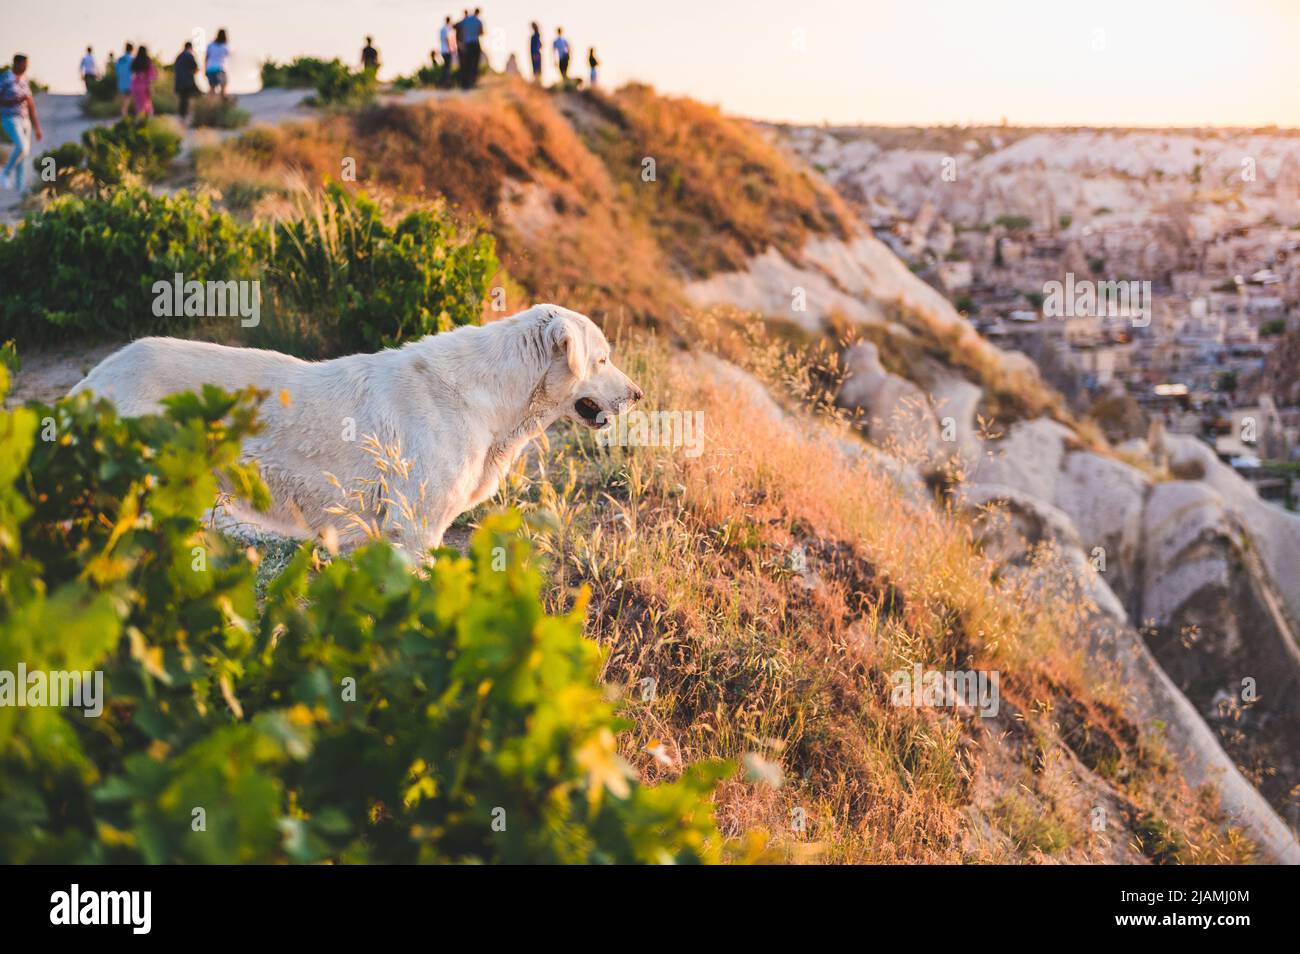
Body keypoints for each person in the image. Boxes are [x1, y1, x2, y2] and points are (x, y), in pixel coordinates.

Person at [0, 54, 43, 192]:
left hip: (25, 120)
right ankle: (4, 173)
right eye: (24, 64)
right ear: (16, 64)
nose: (26, 67)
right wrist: (13, 101)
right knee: (21, 148)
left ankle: (20, 188)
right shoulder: (6, 78)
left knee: (24, 155)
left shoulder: (24, 80)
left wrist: (37, 127)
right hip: (10, 118)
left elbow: (30, 104)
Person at [457, 8, 484, 90]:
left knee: (466, 65)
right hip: (475, 44)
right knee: (474, 65)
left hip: (466, 45)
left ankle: (465, 85)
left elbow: (457, 27)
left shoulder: (465, 21)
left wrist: (460, 40)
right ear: (478, 13)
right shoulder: (478, 21)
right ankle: (472, 83)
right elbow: (481, 33)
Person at [173, 42, 200, 120]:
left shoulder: (179, 56)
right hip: (187, 81)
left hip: (178, 81)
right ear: (190, 47)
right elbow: (195, 68)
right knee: (194, 96)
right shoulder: (189, 56)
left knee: (183, 99)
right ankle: (192, 114)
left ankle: (182, 116)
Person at [129, 45, 157, 117]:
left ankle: (139, 121)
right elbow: (150, 77)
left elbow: (132, 74)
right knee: (147, 105)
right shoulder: (147, 61)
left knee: (138, 105)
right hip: (144, 86)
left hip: (135, 85)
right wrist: (151, 88)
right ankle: (148, 122)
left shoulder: (135, 61)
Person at [205, 29, 230, 96]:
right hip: (219, 69)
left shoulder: (210, 45)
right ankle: (223, 102)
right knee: (223, 86)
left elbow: (206, 58)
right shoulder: (224, 46)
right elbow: (227, 55)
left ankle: (210, 103)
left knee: (212, 88)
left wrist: (205, 69)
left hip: (210, 69)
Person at [116, 42, 134, 117]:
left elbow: (117, 70)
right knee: (129, 100)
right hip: (130, 82)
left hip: (121, 82)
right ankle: (125, 115)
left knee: (124, 100)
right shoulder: (131, 59)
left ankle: (124, 115)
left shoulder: (120, 59)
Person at [438, 15, 457, 88]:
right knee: (447, 68)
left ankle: (445, 83)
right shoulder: (446, 29)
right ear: (449, 21)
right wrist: (450, 49)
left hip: (443, 50)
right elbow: (447, 40)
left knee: (446, 68)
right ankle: (446, 84)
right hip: (447, 51)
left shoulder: (442, 29)